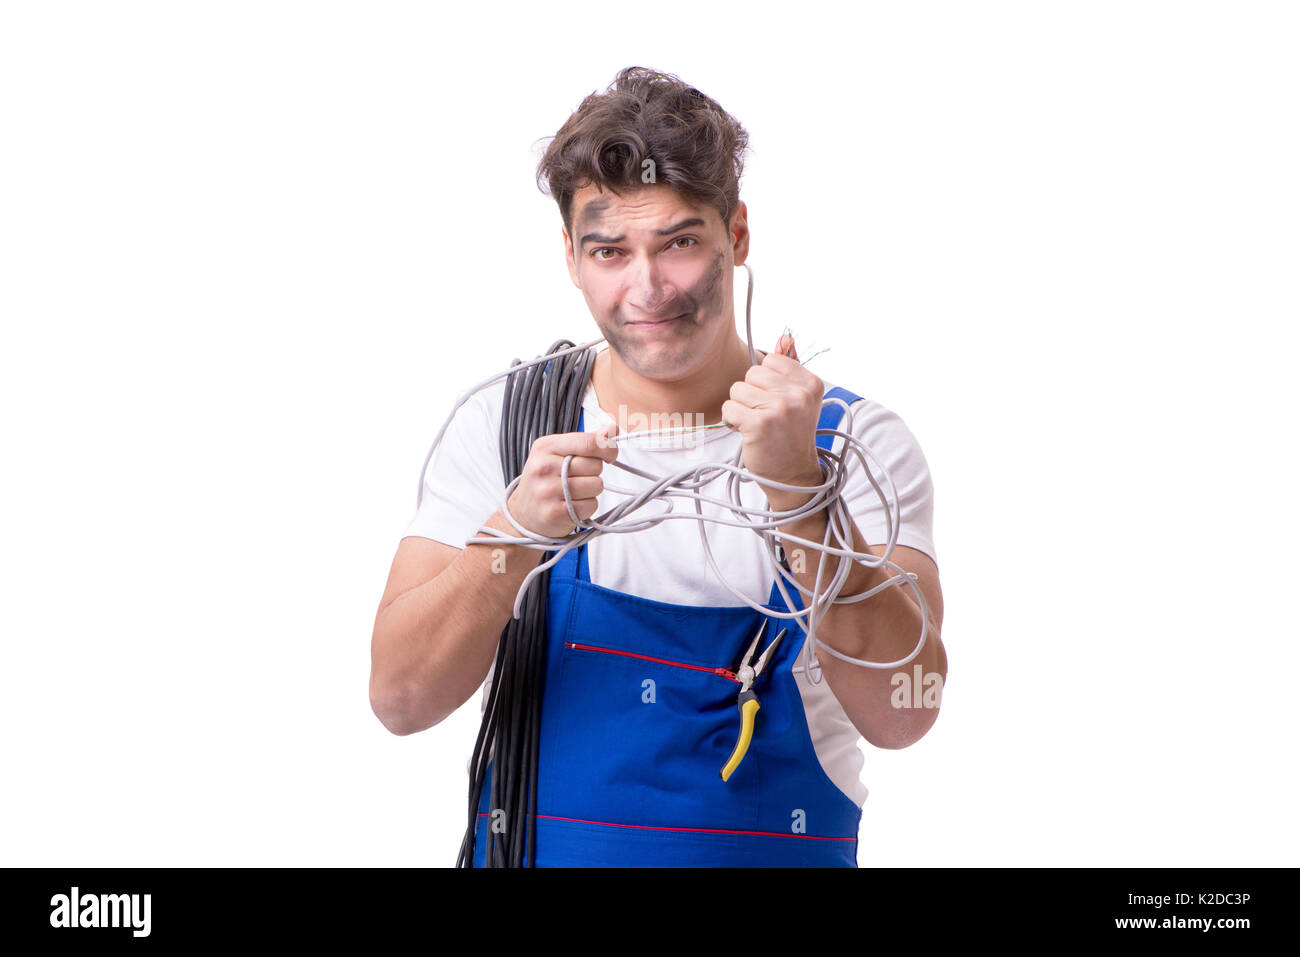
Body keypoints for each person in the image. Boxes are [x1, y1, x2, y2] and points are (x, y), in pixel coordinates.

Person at [369, 66, 947, 866]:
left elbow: (905, 711)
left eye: (679, 242)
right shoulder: (507, 428)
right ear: (571, 256)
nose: (647, 288)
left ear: (736, 235)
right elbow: (399, 699)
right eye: (610, 250)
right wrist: (512, 534)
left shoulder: (852, 443)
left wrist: (800, 494)